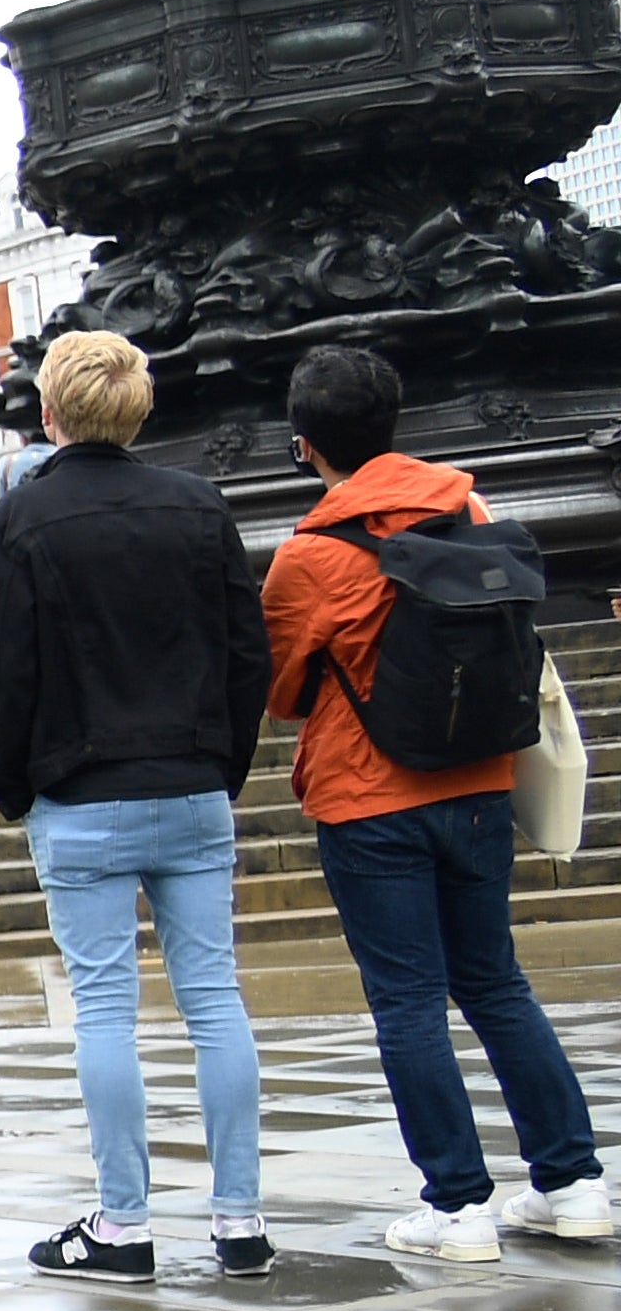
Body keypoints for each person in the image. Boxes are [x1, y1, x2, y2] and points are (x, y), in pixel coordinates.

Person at [264, 343, 606, 1262]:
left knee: (408, 1000)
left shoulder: (307, 555)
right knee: (495, 982)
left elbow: (286, 690)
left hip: (368, 797)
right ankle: (573, 1182)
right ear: (393, 423)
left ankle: (458, 1208)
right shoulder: (470, 506)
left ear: (305, 446)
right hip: (480, 784)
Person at [0, 331, 268, 1282]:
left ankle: (125, 1225)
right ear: (140, 410)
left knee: (104, 1008)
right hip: (189, 782)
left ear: (50, 413)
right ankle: (241, 1222)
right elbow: (244, 652)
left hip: (81, 789)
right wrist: (225, 764)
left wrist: (14, 780)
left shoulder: (25, 517)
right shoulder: (198, 505)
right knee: (215, 999)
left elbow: (4, 667)